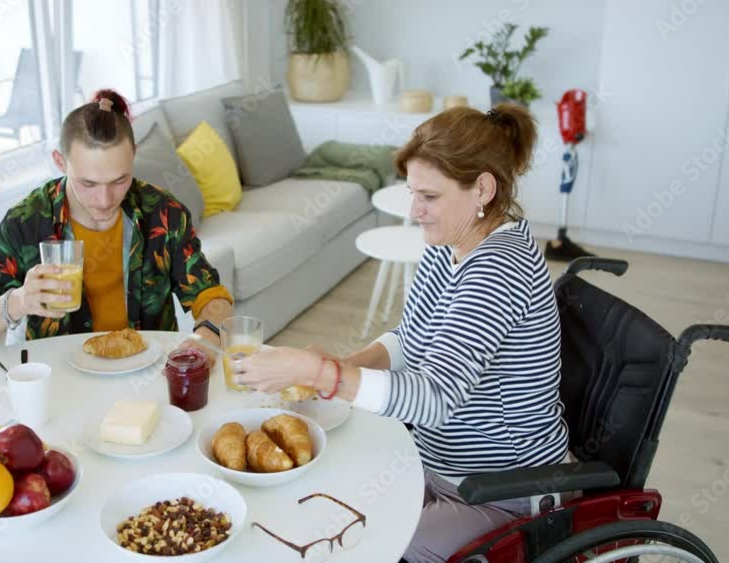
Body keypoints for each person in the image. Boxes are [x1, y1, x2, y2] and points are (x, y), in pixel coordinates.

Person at [237, 104, 570, 561]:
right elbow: (411, 338)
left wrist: (317, 372)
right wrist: (342, 368)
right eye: (413, 193)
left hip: (501, 488)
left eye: (429, 197)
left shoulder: (499, 267)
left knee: (359, 543)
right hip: (434, 463)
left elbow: (434, 398)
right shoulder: (451, 240)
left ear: (483, 190)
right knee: (326, 511)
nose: (415, 211)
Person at [0, 89, 233, 362]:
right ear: (60, 162)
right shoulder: (27, 221)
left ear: (133, 155)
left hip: (146, 373)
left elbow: (212, 297)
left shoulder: (163, 213)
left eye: (119, 181)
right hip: (60, 379)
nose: (104, 200)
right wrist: (19, 300)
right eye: (88, 183)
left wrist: (206, 337)